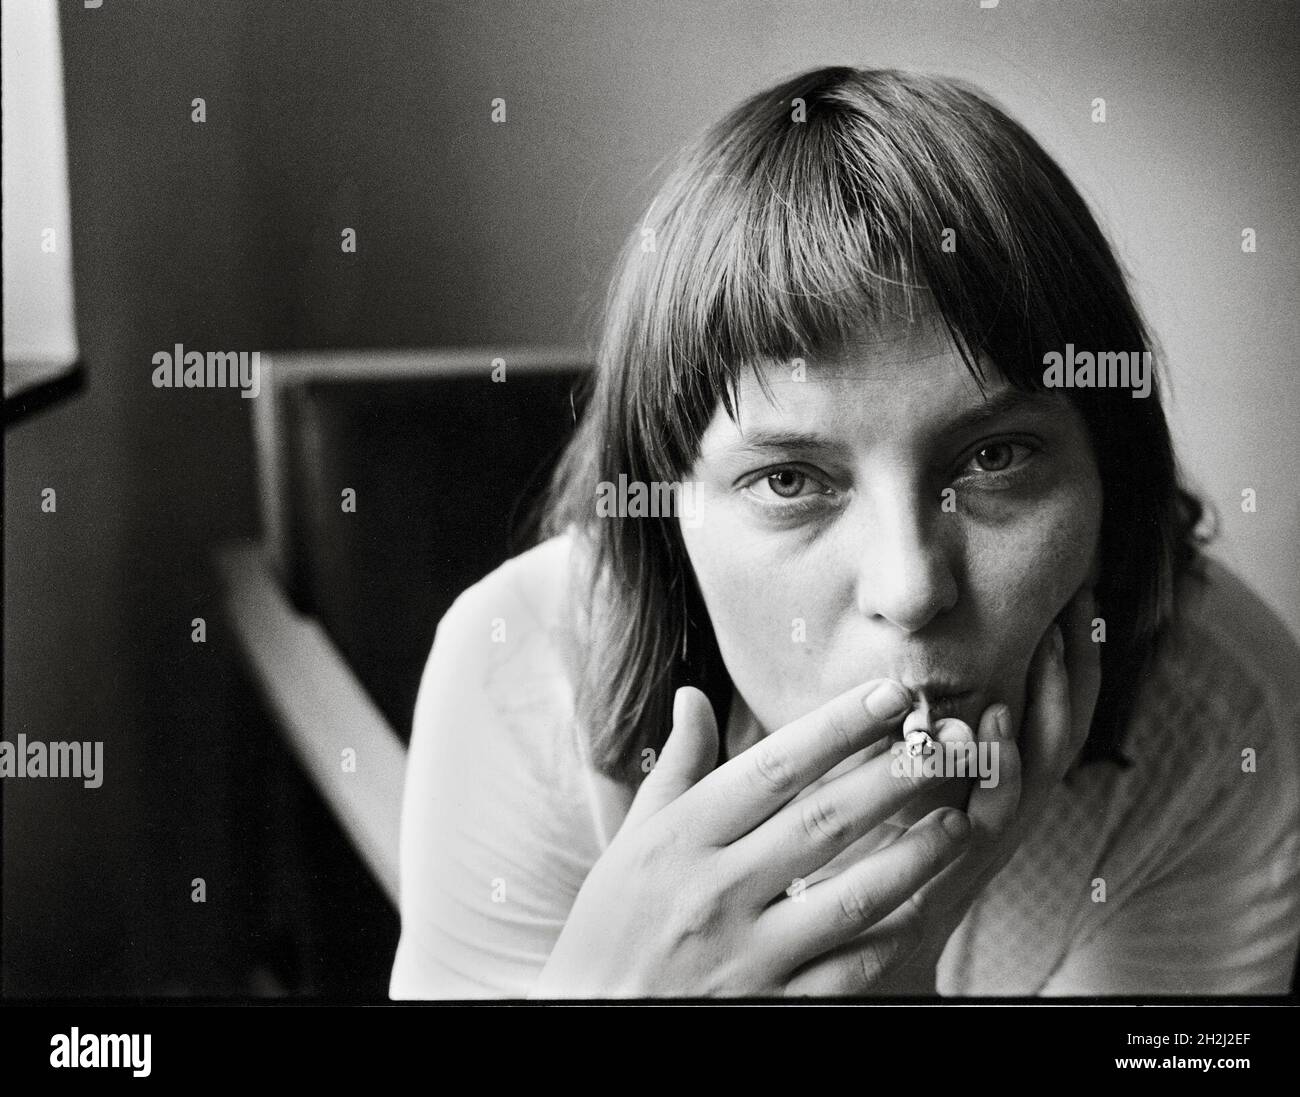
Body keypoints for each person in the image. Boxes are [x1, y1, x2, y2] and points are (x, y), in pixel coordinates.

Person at [389, 66, 1300, 998]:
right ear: (668, 519)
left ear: (1112, 475)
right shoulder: (517, 678)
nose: (909, 588)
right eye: (790, 480)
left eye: (995, 458)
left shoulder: (1226, 727)